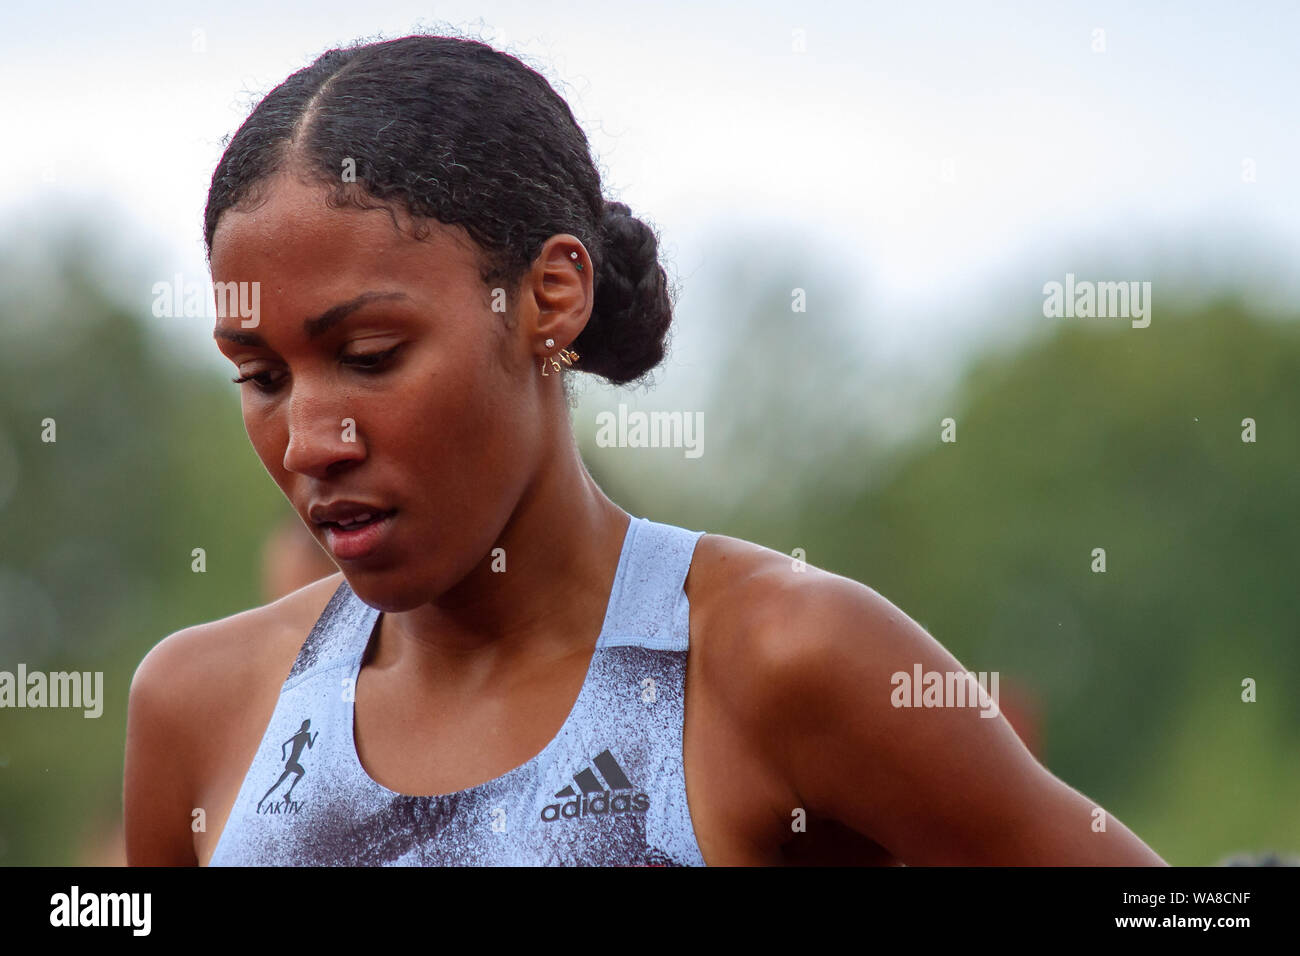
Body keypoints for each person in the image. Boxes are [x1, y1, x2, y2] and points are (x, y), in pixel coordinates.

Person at [123, 33, 1167, 866]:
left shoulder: (779, 660)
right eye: (260, 376)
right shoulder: (201, 707)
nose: (310, 439)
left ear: (549, 297)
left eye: (370, 353)